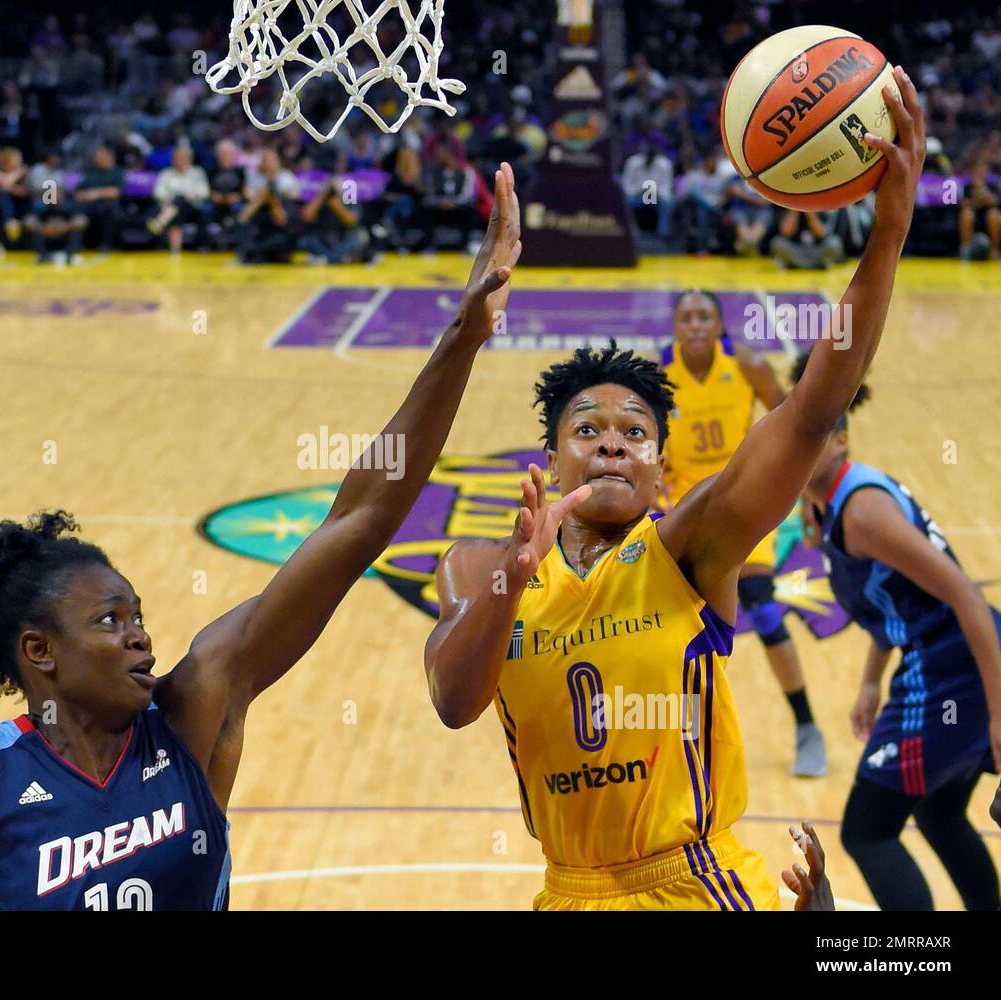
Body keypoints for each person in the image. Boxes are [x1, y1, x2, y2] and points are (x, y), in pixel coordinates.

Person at [0, 164, 526, 912]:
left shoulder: (196, 705)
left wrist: (463, 337)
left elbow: (359, 522)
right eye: (109, 621)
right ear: (39, 652)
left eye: (135, 614)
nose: (140, 635)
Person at [422, 68, 924, 910]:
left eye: (635, 434)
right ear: (549, 457)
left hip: (696, 884)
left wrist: (888, 233)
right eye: (588, 429)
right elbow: (452, 701)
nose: (613, 442)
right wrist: (516, 569)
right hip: (567, 890)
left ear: (660, 470)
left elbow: (809, 414)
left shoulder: (689, 546)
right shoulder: (475, 569)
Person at [794, 358, 1001, 911]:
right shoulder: (823, 505)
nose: (797, 446)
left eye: (814, 435)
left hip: (956, 662)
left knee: (867, 829)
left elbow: (968, 597)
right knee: (937, 810)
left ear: (839, 441)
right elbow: (894, 604)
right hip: (947, 658)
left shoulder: (863, 510)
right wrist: (869, 682)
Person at [659, 290, 826, 777]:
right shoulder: (657, 374)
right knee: (672, 628)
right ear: (674, 325)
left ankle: (807, 728)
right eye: (686, 316)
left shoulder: (748, 364)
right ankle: (679, 741)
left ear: (719, 325)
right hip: (681, 508)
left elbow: (796, 425)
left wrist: (811, 495)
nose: (695, 324)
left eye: (704, 316)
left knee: (762, 604)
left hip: (743, 499)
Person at [238, 148, 299, 264]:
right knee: (243, 216)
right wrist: (264, 195)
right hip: (260, 210)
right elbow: (247, 194)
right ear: (262, 163)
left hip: (281, 211)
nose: (270, 163)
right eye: (267, 160)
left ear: (278, 162)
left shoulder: (285, 175)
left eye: (272, 160)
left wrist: (273, 197)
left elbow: (295, 194)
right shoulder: (256, 177)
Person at [148, 145, 209, 253]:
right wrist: (171, 199)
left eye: (183, 158)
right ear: (173, 159)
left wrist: (190, 196)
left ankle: (160, 222)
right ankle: (175, 250)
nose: (180, 160)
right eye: (178, 158)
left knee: (180, 201)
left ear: (190, 159)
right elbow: (158, 193)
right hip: (171, 207)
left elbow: (204, 192)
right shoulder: (166, 173)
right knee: (178, 205)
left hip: (193, 208)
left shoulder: (197, 172)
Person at [73, 146, 125, 251]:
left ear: (108, 157)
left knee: (110, 209)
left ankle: (106, 244)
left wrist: (95, 193)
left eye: (99, 157)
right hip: (89, 205)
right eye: (96, 157)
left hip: (106, 205)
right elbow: (78, 191)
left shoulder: (117, 172)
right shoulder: (91, 172)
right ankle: (76, 243)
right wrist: (84, 195)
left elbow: (115, 192)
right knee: (75, 208)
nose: (96, 159)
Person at [958, 159, 999, 260]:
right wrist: (976, 201)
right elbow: (963, 203)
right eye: (977, 170)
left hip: (987, 215)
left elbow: (994, 202)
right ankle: (965, 249)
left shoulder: (992, 185)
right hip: (973, 214)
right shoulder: (967, 186)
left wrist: (983, 191)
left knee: (994, 215)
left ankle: (995, 249)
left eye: (982, 169)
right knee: (966, 214)